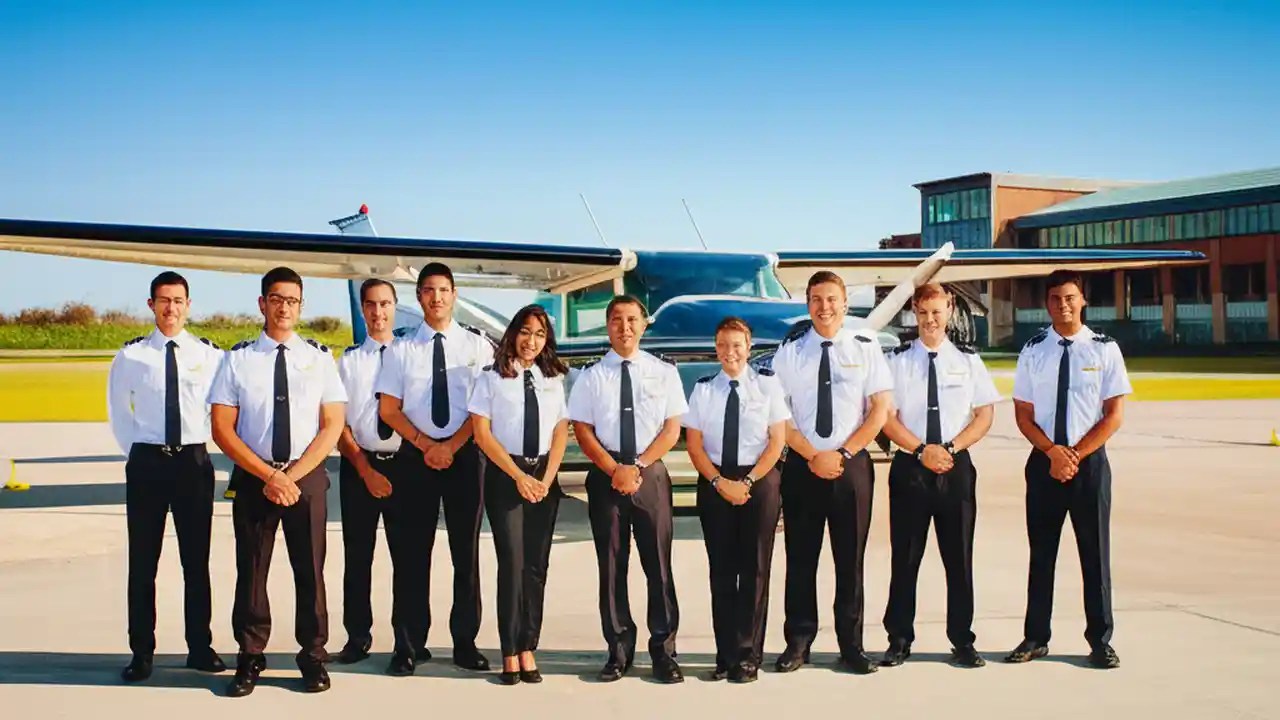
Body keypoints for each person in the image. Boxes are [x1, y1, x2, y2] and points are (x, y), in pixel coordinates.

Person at [209, 266, 347, 696]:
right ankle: (250, 657)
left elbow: (331, 425)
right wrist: (270, 475)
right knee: (251, 571)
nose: (283, 307)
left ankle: (313, 656)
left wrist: (292, 476)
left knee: (311, 572)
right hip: (255, 478)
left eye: (292, 300)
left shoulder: (319, 357)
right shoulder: (238, 359)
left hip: (305, 478)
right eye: (276, 298)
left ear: (301, 306)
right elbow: (222, 428)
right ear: (262, 304)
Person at [1005, 270, 1131, 670]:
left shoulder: (1104, 349)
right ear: (1047, 303)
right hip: (1044, 463)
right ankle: (1035, 636)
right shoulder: (1033, 350)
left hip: (1089, 463)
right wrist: (1052, 453)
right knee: (1041, 555)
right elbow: (1023, 415)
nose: (1063, 305)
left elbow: (1113, 415)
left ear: (1083, 301)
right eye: (1056, 298)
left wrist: (1074, 454)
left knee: (1094, 555)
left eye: (1070, 298)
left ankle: (1100, 640)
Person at [771, 270, 893, 675]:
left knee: (849, 560)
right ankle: (799, 642)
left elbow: (879, 409)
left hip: (851, 463)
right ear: (808, 304)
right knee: (801, 558)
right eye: (817, 299)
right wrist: (812, 455)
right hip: (804, 465)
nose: (825, 307)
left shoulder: (866, 346)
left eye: (832, 299)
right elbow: (779, 414)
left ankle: (851, 644)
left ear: (845, 304)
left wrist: (842, 451)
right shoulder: (790, 352)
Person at [376, 262, 495, 674]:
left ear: (454, 294)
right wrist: (428, 445)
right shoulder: (401, 349)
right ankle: (408, 645)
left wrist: (452, 446)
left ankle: (465, 641)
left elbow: (485, 408)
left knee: (466, 552)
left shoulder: (479, 348)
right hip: (415, 456)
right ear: (419, 297)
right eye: (428, 290)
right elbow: (389, 410)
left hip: (464, 457)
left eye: (443, 289)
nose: (437, 297)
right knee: (411, 554)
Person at [107, 270, 226, 683]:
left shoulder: (210, 355)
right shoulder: (132, 356)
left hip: (193, 464)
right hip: (148, 465)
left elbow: (220, 412)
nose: (170, 307)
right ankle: (142, 651)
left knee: (197, 563)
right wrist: (142, 454)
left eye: (178, 300)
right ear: (151, 305)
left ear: (188, 305)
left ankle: (200, 646)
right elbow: (120, 413)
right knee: (143, 564)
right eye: (163, 300)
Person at [568, 295, 687, 684]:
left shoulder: (663, 372)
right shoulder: (590, 375)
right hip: (605, 475)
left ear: (643, 324)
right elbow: (582, 429)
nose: (625, 327)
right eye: (617, 320)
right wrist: (613, 468)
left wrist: (636, 466)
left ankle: (664, 651)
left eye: (632, 319)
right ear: (607, 325)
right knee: (612, 567)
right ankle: (618, 649)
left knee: (659, 567)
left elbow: (672, 428)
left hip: (648, 472)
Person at [879, 283, 999, 669]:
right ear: (914, 311)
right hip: (911, 466)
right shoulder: (896, 361)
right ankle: (899, 639)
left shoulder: (967, 361)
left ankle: (962, 640)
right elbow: (886, 416)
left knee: (958, 559)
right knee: (906, 558)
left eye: (937, 312)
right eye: (923, 313)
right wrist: (920, 450)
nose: (930, 320)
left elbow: (984, 415)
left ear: (949, 310)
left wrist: (950, 449)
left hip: (955, 465)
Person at [468, 304, 570, 685]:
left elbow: (561, 430)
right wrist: (518, 477)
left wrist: (546, 477)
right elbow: (482, 433)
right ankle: (509, 650)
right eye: (526, 332)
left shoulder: (552, 378)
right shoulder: (491, 378)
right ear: (513, 333)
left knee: (535, 568)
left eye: (540, 334)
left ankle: (529, 646)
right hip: (505, 476)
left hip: (544, 475)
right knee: (511, 563)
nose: (532, 341)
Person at [683, 317, 788, 684]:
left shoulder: (767, 386)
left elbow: (777, 441)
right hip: (715, 480)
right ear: (716, 348)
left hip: (757, 479)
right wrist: (718, 481)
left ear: (748, 346)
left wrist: (746, 481)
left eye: (737, 345)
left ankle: (748, 656)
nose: (730, 352)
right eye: (723, 345)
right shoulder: (704, 390)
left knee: (756, 569)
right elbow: (694, 443)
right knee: (722, 572)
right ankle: (725, 655)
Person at [333, 279, 415, 669]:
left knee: (407, 559)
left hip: (406, 467)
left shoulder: (412, 356)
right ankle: (357, 637)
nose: (378, 312)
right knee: (358, 558)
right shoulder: (348, 362)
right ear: (362, 310)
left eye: (385, 304)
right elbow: (338, 425)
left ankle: (407, 643)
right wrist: (365, 470)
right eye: (370, 305)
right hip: (360, 466)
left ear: (395, 307)